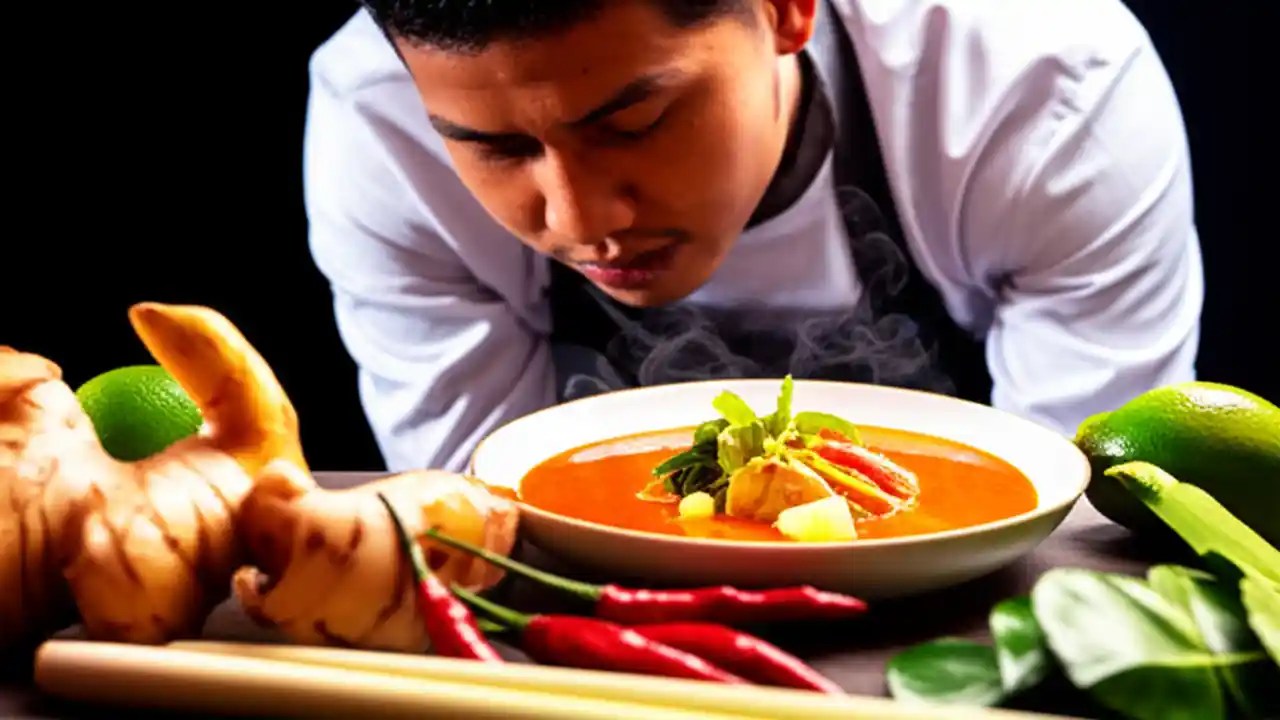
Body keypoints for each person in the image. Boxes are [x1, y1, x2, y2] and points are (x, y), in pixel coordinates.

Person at [303, 0, 1203, 474]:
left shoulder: (1041, 91)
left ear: (784, 9)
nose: (583, 223)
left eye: (637, 121)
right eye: (498, 149)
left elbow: (1081, 508)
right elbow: (485, 522)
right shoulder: (378, 128)